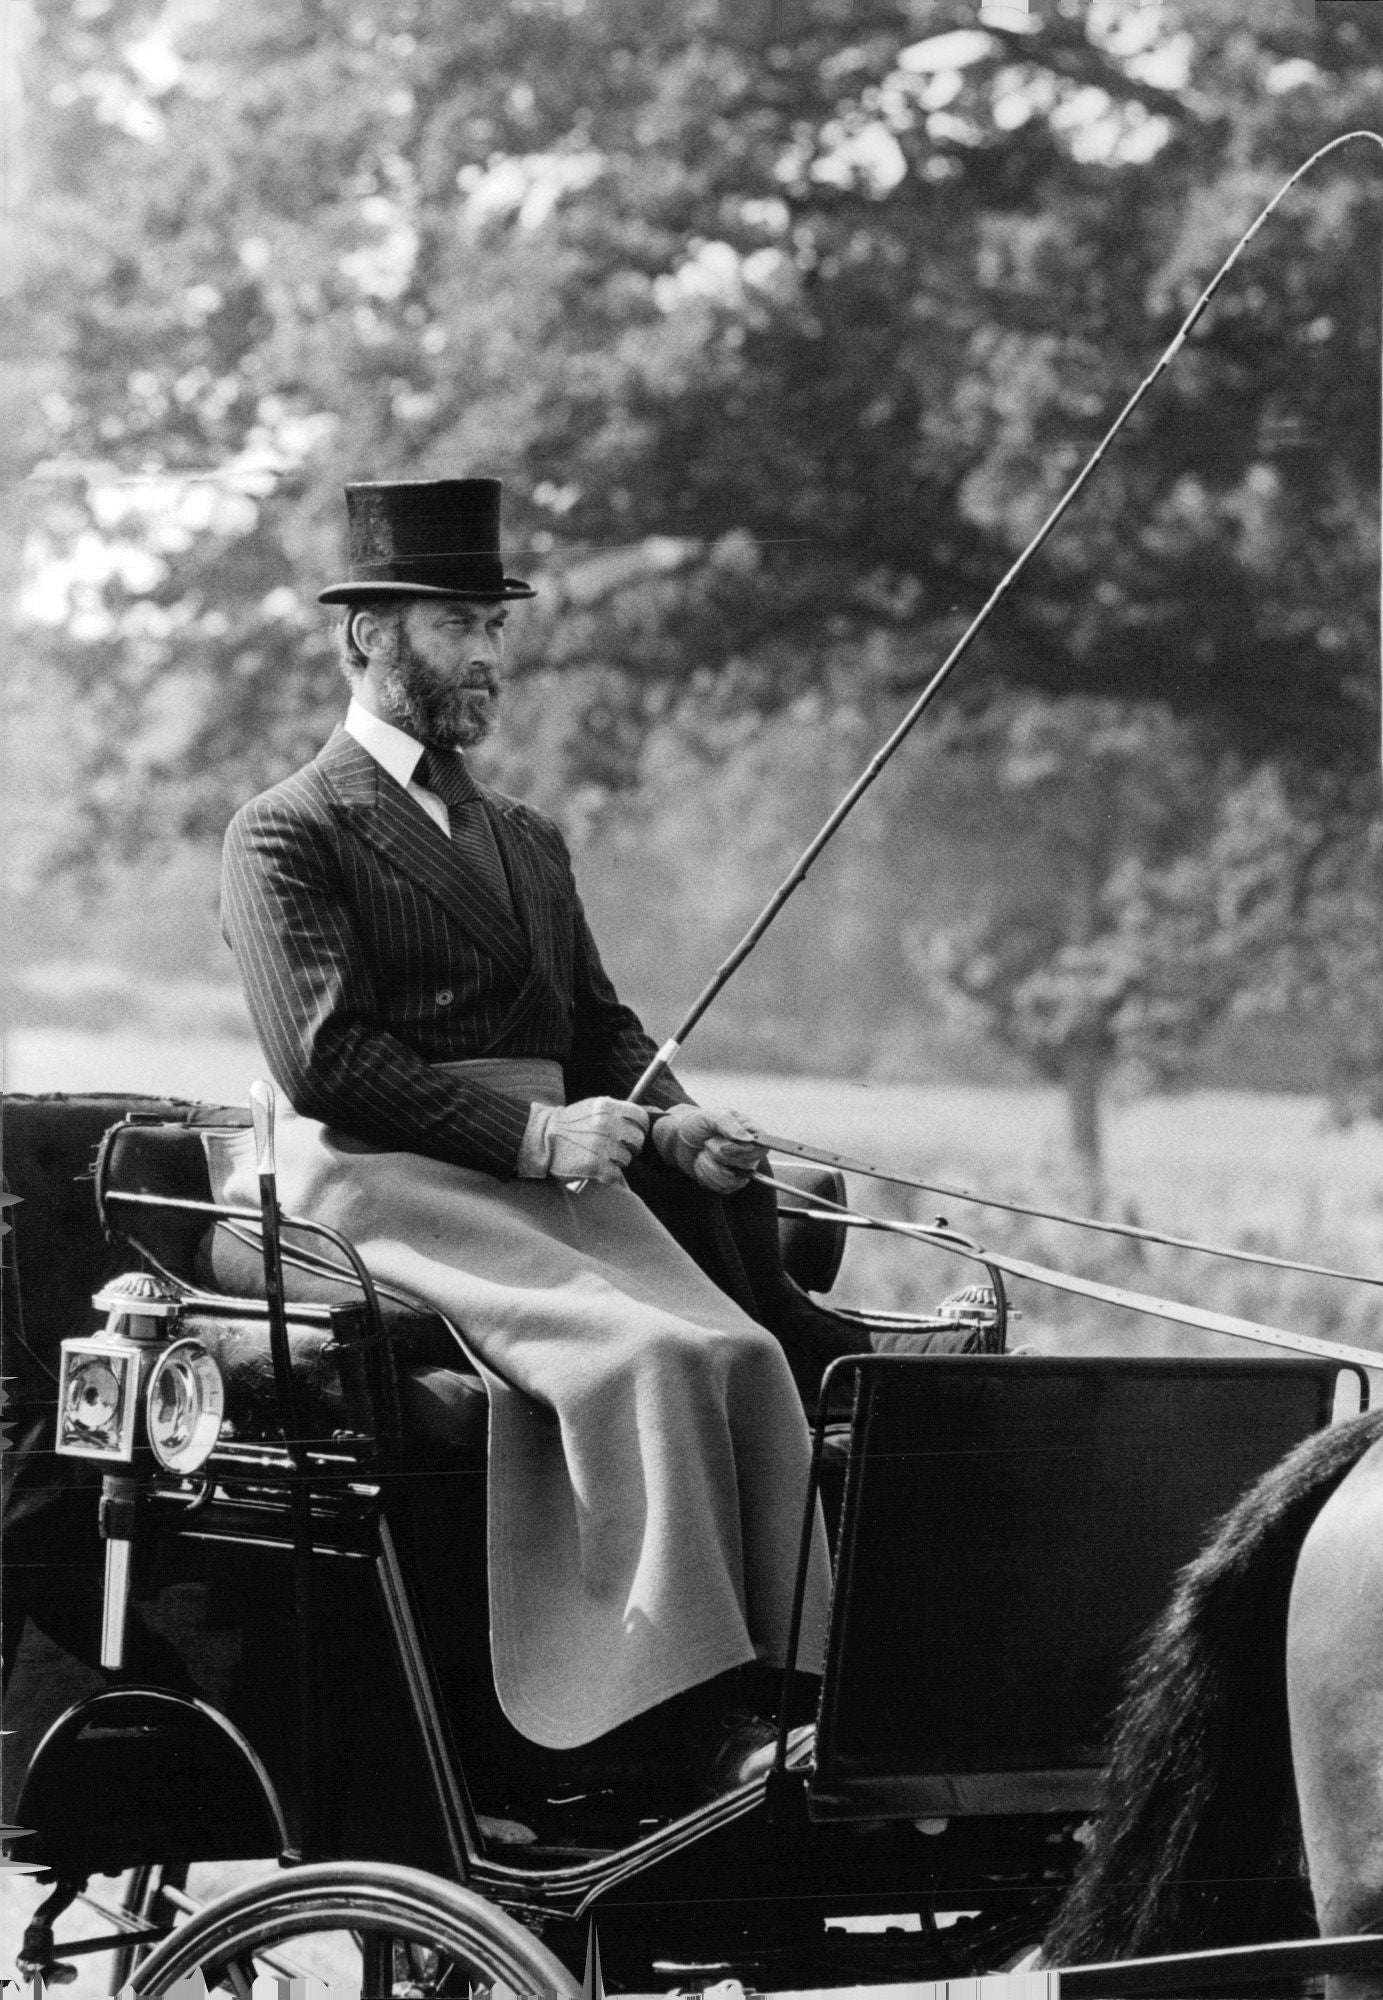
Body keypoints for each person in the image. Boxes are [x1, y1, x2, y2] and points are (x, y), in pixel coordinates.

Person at [214, 478, 970, 1807]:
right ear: (362, 639)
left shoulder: (525, 838)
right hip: (378, 1181)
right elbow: (324, 1061)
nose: (489, 655)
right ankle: (658, 1725)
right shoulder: (289, 830)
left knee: (733, 1347)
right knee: (648, 1356)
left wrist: (676, 1121)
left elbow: (603, 1026)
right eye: (457, 624)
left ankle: (782, 1701)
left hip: (542, 1168)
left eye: (496, 626)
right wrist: (537, 1133)